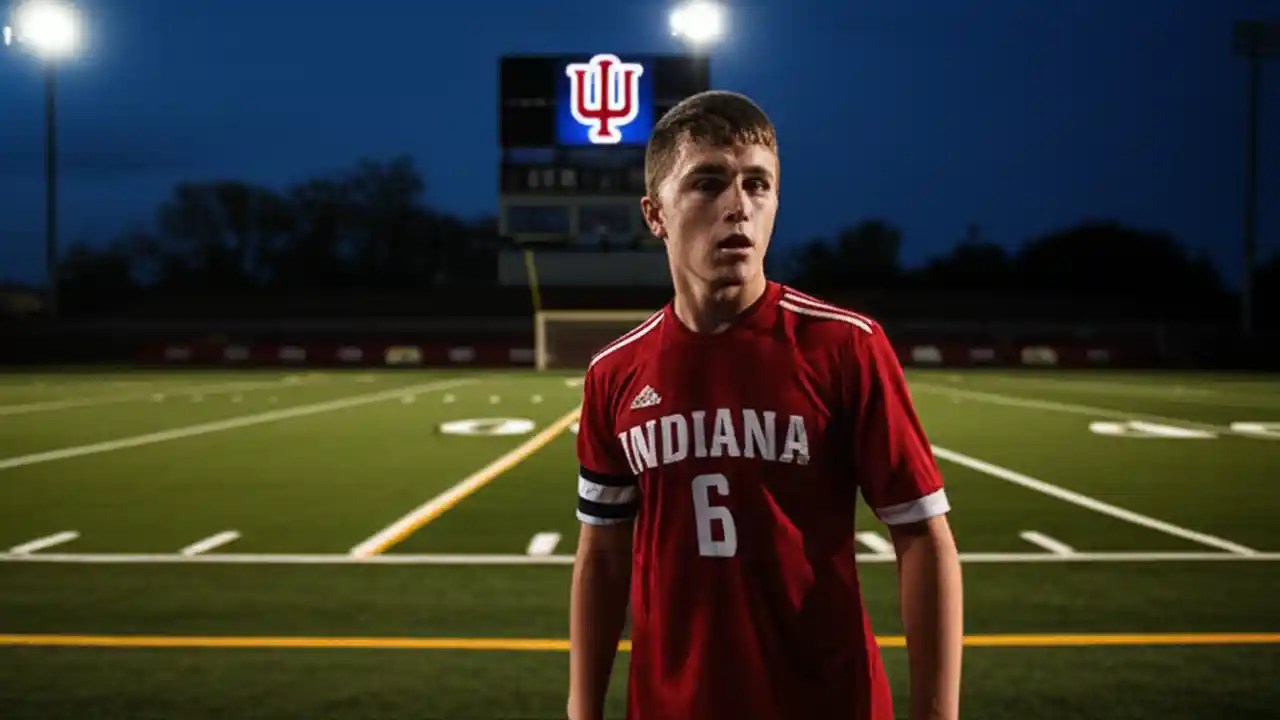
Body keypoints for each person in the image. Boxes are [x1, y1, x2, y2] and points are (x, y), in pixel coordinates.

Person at [567, 90, 963, 720]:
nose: (739, 207)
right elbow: (604, 553)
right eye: (708, 183)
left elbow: (921, 536)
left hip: (829, 702)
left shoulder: (844, 346)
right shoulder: (614, 373)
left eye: (759, 185)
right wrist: (581, 709)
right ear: (655, 213)